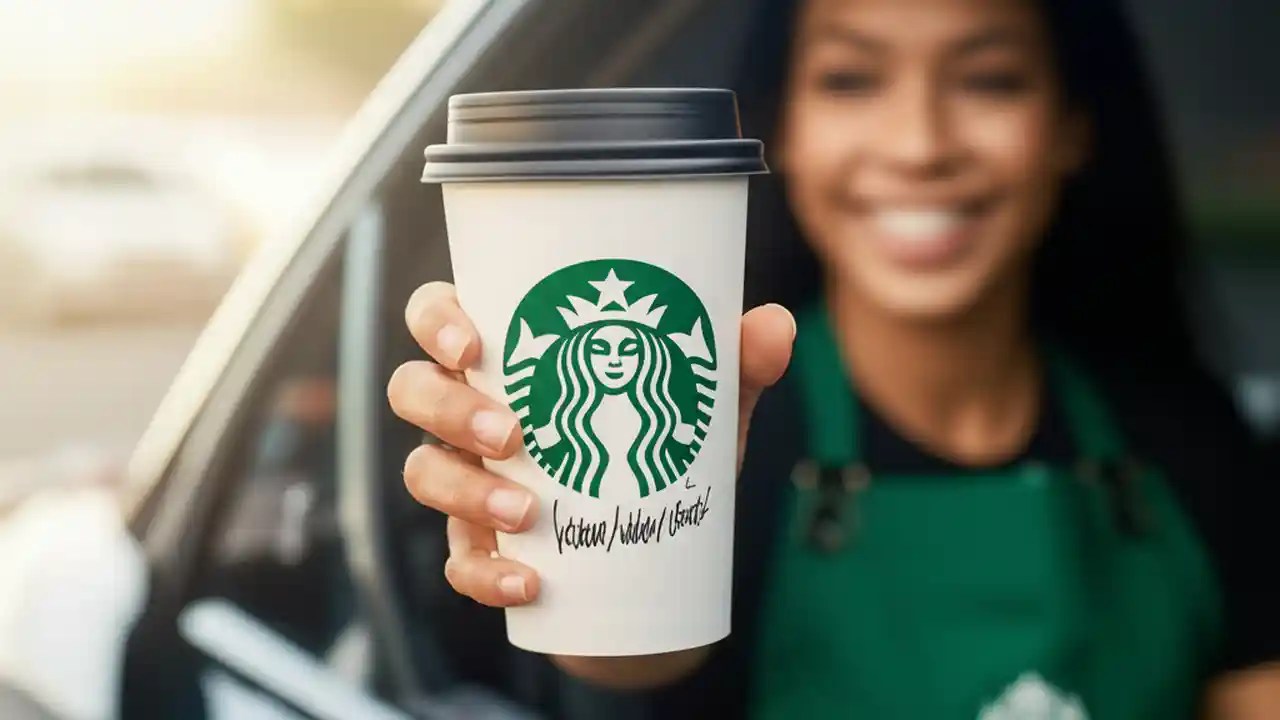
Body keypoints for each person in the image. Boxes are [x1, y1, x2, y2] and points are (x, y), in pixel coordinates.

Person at [386, 0, 1280, 716]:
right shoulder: (731, 425)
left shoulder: (1186, 438)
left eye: (991, 80)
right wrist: (568, 557)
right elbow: (639, 659)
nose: (921, 145)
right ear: (788, 131)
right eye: (852, 79)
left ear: (1072, 128)